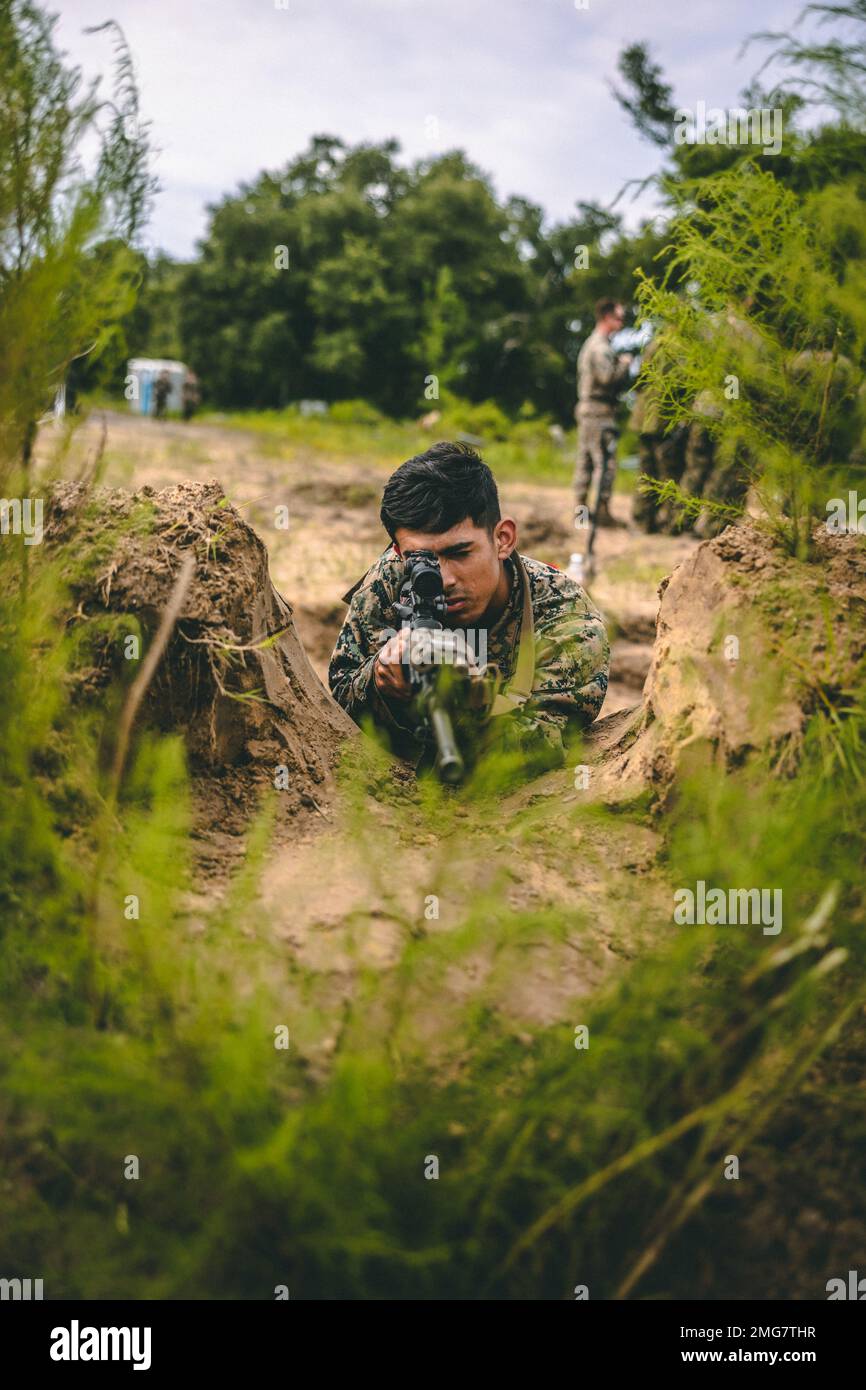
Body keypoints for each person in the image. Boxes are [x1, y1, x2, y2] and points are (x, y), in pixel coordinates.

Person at [329, 441, 610, 777]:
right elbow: (335, 707)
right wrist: (380, 679)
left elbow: (541, 746)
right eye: (422, 560)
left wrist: (469, 704)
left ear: (503, 538)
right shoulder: (389, 578)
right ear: (399, 552)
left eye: (460, 553)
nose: (443, 579)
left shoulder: (567, 618)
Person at [574, 298, 633, 529]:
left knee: (586, 462)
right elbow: (607, 379)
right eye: (619, 317)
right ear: (607, 318)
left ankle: (582, 514)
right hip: (599, 411)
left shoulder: (595, 344)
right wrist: (625, 364)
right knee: (604, 463)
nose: (622, 322)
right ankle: (601, 513)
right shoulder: (600, 347)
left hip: (591, 409)